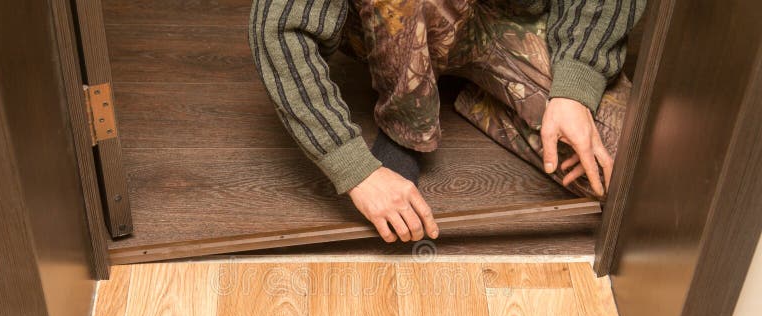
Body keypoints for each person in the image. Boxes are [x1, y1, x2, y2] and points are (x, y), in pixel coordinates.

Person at [249, 0, 645, 242]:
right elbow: (277, 28)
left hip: (507, 18)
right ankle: (408, 118)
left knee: (625, 170)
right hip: (400, 21)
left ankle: (469, 86)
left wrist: (575, 86)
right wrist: (355, 170)